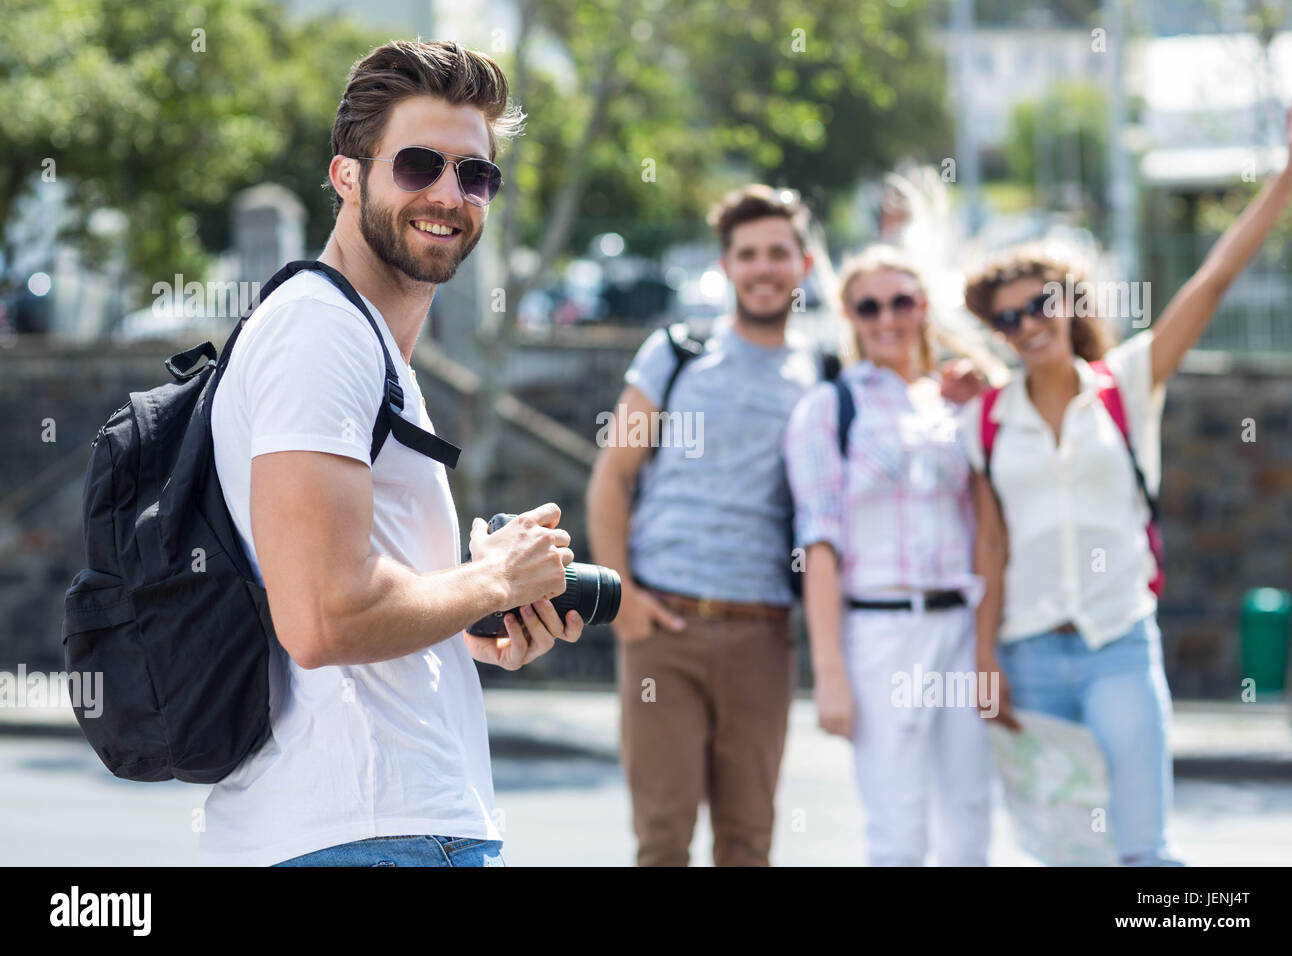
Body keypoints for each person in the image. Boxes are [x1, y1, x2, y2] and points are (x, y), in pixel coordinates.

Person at [201, 39, 583, 867]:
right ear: (347, 176)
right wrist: (497, 577)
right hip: (369, 833)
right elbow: (321, 617)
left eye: (475, 175)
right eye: (419, 165)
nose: (450, 194)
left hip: (377, 826)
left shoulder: (364, 344)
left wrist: (473, 622)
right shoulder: (322, 330)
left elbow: (345, 602)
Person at [960, 104, 1292, 866]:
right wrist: (986, 661)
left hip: (1117, 642)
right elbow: (990, 543)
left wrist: (1289, 175)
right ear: (998, 332)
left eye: (1040, 302)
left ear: (1070, 301)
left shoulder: (1127, 383)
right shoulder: (982, 419)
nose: (1027, 323)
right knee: (1067, 854)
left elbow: (1212, 281)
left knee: (1144, 852)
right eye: (1007, 317)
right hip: (1028, 654)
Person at [586, 184, 822, 866]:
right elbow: (613, 476)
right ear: (726, 267)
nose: (763, 266)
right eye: (747, 253)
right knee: (662, 842)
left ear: (803, 266)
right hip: (664, 631)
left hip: (762, 633)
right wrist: (623, 600)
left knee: (748, 843)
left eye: (779, 252)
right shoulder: (677, 351)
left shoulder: (823, 374)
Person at [784, 245, 993, 866]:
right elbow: (819, 544)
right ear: (849, 315)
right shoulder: (828, 409)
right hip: (880, 633)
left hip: (961, 627)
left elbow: (991, 523)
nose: (886, 318)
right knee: (899, 833)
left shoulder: (957, 402)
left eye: (900, 301)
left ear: (923, 307)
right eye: (868, 305)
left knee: (970, 824)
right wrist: (830, 674)